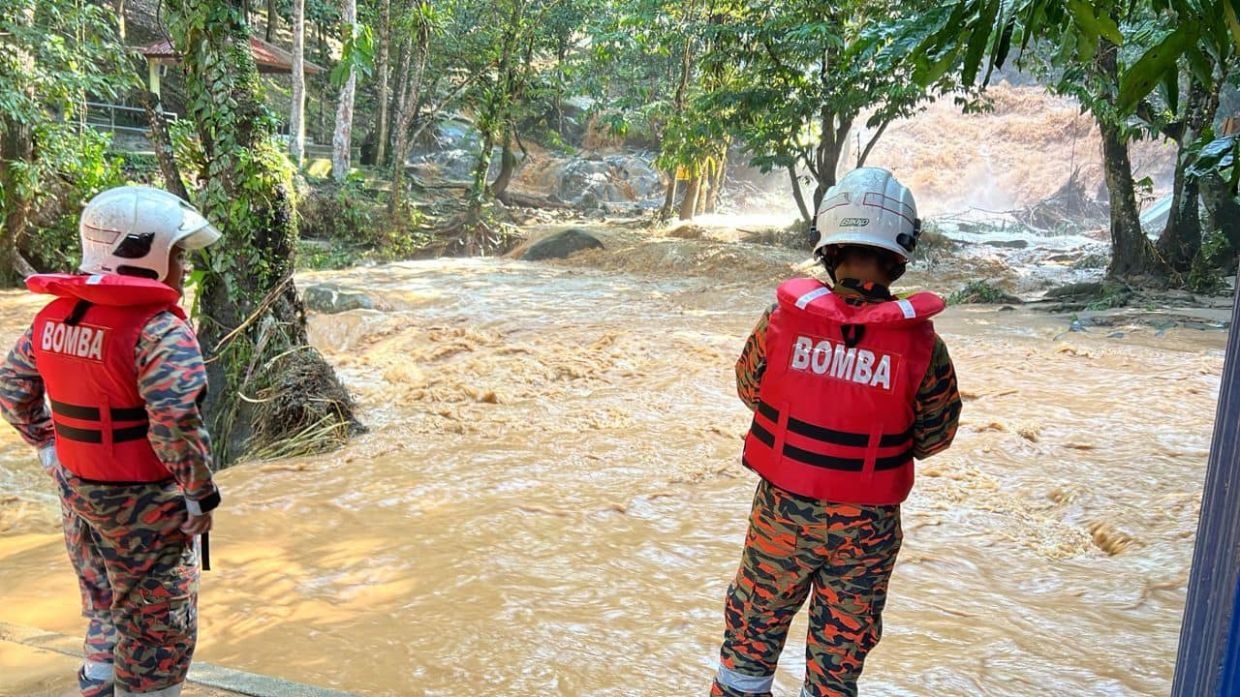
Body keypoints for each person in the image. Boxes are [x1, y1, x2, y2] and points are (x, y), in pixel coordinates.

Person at [710, 167, 963, 697]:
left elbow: (750, 388)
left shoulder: (780, 321)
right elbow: (935, 436)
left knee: (747, 652)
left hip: (781, 516)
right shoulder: (923, 346)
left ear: (826, 247)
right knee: (835, 673)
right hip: (866, 533)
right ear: (900, 253)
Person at [0, 186, 222, 697]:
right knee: (156, 622)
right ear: (144, 251)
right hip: (143, 501)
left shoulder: (52, 317)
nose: (185, 268)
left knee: (103, 594)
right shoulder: (160, 330)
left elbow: (12, 390)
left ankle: (98, 679)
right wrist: (199, 495)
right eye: (180, 254)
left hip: (77, 489)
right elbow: (175, 421)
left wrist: (48, 444)